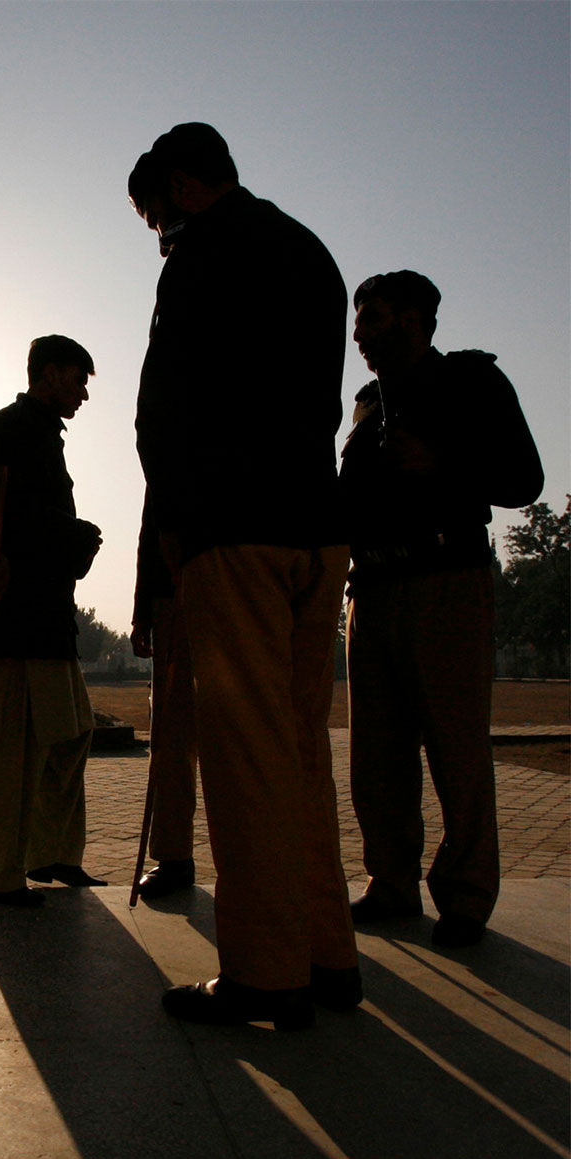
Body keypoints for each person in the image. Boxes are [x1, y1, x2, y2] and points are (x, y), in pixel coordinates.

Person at [129, 124, 359, 1030]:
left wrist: (178, 530)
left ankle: (267, 974)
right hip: (315, 525)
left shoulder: (199, 257)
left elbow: (166, 410)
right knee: (299, 753)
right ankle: (327, 954)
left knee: (245, 761)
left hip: (236, 534)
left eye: (154, 215)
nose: (157, 235)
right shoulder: (309, 249)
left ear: (184, 189)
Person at [339, 270, 543, 948]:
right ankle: (390, 883)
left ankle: (463, 896)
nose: (359, 333)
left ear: (413, 319)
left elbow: (524, 479)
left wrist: (441, 463)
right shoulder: (367, 403)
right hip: (370, 590)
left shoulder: (471, 382)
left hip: (445, 580)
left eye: (371, 317)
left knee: (455, 746)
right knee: (377, 755)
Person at [0, 335, 105, 905]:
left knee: (73, 734)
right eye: (78, 380)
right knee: (19, 749)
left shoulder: (44, 434)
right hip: (19, 618)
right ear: (49, 375)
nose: (83, 394)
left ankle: (50, 853)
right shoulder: (5, 430)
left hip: (50, 615)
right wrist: (74, 539)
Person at [130, 491, 199, 899]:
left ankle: (257, 854)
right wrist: (143, 609)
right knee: (172, 737)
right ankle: (173, 856)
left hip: (241, 572)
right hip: (174, 593)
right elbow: (151, 526)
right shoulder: (171, 435)